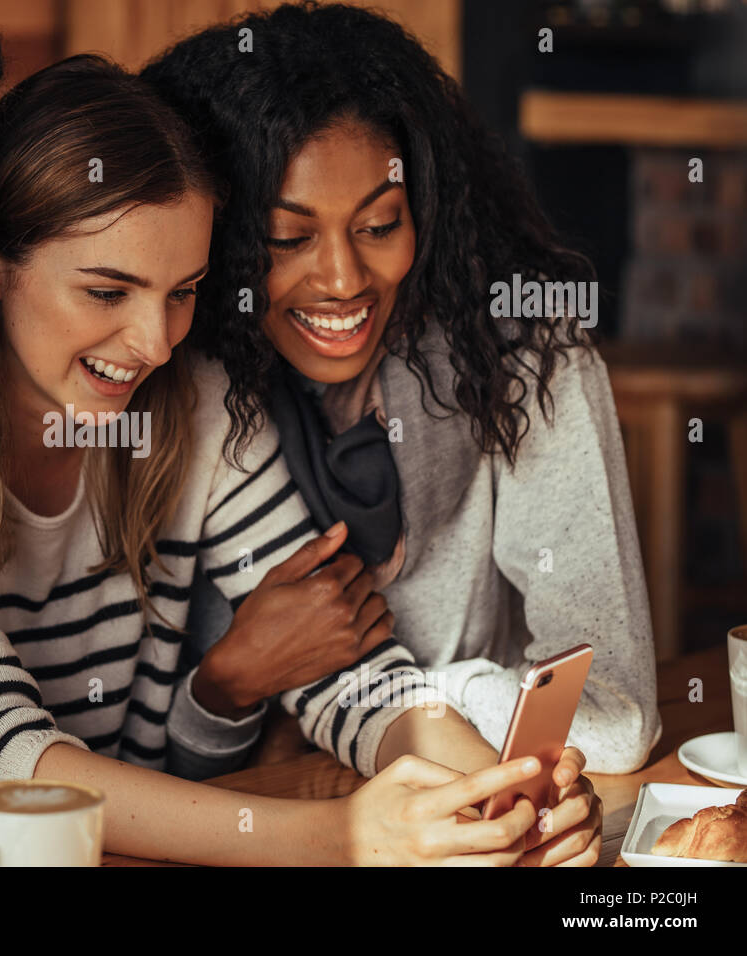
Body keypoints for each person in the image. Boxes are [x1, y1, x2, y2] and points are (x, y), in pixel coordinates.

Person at [0, 54, 569, 866]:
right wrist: (349, 837)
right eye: (108, 293)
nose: (154, 343)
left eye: (183, 292)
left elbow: (346, 676)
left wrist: (496, 791)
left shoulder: (200, 404)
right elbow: (2, 764)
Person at [144, 0, 662, 847]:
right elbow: (153, 774)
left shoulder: (518, 363)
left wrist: (424, 698)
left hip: (457, 814)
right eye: (285, 239)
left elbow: (615, 718)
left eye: (380, 225)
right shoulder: (181, 384)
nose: (343, 278)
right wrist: (228, 691)